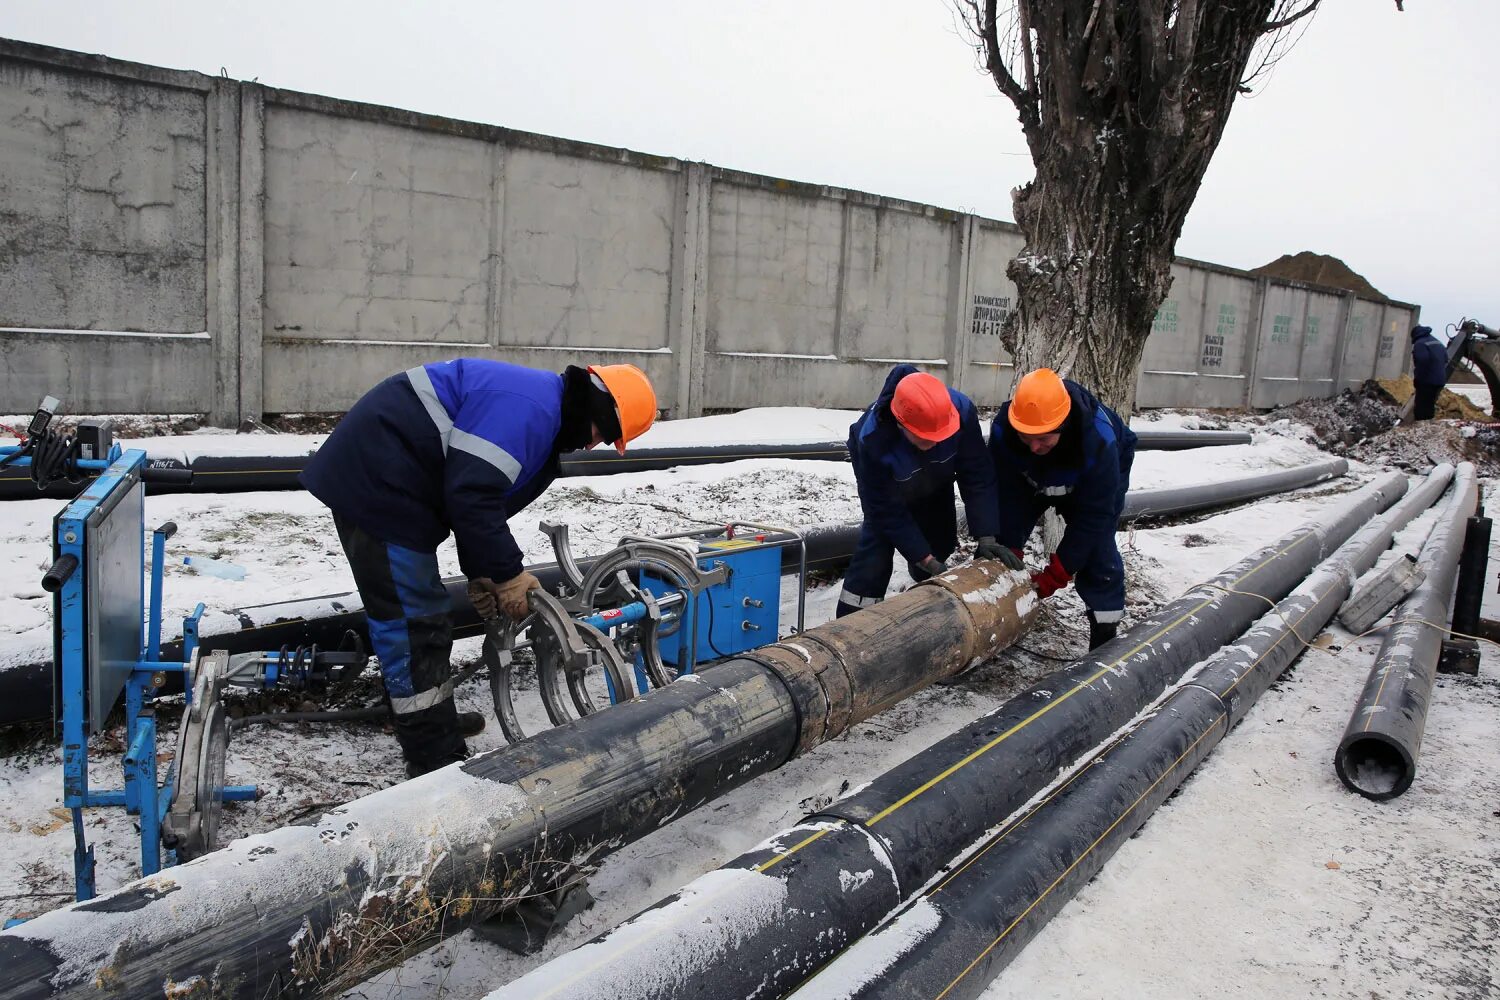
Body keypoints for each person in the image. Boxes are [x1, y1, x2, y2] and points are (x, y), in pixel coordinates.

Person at [302, 359, 657, 776]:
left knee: (418, 618)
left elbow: (477, 501)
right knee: (414, 622)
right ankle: (433, 758)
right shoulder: (532, 411)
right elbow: (472, 495)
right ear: (598, 409)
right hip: (378, 482)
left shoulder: (543, 410)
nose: (593, 445)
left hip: (395, 475)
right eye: (604, 435)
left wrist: (481, 573)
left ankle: (427, 722)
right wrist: (507, 574)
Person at [837, 364, 1017, 618]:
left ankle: (922, 580)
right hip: (889, 491)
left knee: (940, 543)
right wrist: (923, 557)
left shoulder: (961, 411)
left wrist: (987, 534)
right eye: (925, 437)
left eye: (940, 435)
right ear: (902, 424)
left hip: (936, 480)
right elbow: (886, 509)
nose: (934, 442)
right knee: (877, 548)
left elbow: (977, 474)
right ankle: (852, 623)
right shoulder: (873, 439)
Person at [989, 368, 1138, 650]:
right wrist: (1008, 545)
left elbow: (1093, 518)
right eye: (1026, 437)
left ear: (1064, 423)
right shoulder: (1003, 431)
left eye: (1044, 438)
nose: (1034, 446)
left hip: (1088, 482)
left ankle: (1104, 635)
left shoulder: (1099, 439)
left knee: (1098, 552)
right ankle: (990, 626)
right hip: (1029, 481)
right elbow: (1005, 494)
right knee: (999, 544)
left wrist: (1059, 572)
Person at [1410, 324, 1447, 421]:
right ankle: (1428, 425)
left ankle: (1420, 427)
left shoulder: (1420, 344)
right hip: (1440, 380)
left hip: (1427, 381)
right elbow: (1446, 359)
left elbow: (1422, 361)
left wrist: (1418, 379)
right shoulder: (1437, 341)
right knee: (1430, 405)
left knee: (1421, 407)